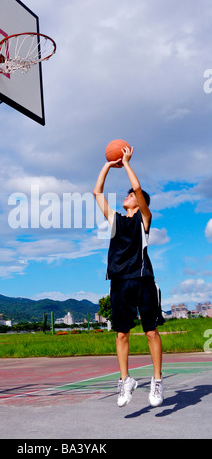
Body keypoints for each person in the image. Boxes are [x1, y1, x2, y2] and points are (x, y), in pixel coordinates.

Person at [93, 145, 164, 408]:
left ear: (139, 200)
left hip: (143, 279)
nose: (128, 196)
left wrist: (127, 163)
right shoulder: (116, 220)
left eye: (131, 195)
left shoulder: (144, 219)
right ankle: (125, 380)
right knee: (121, 334)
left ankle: (157, 381)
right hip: (119, 282)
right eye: (127, 194)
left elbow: (137, 189)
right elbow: (97, 192)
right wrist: (109, 166)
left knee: (151, 332)